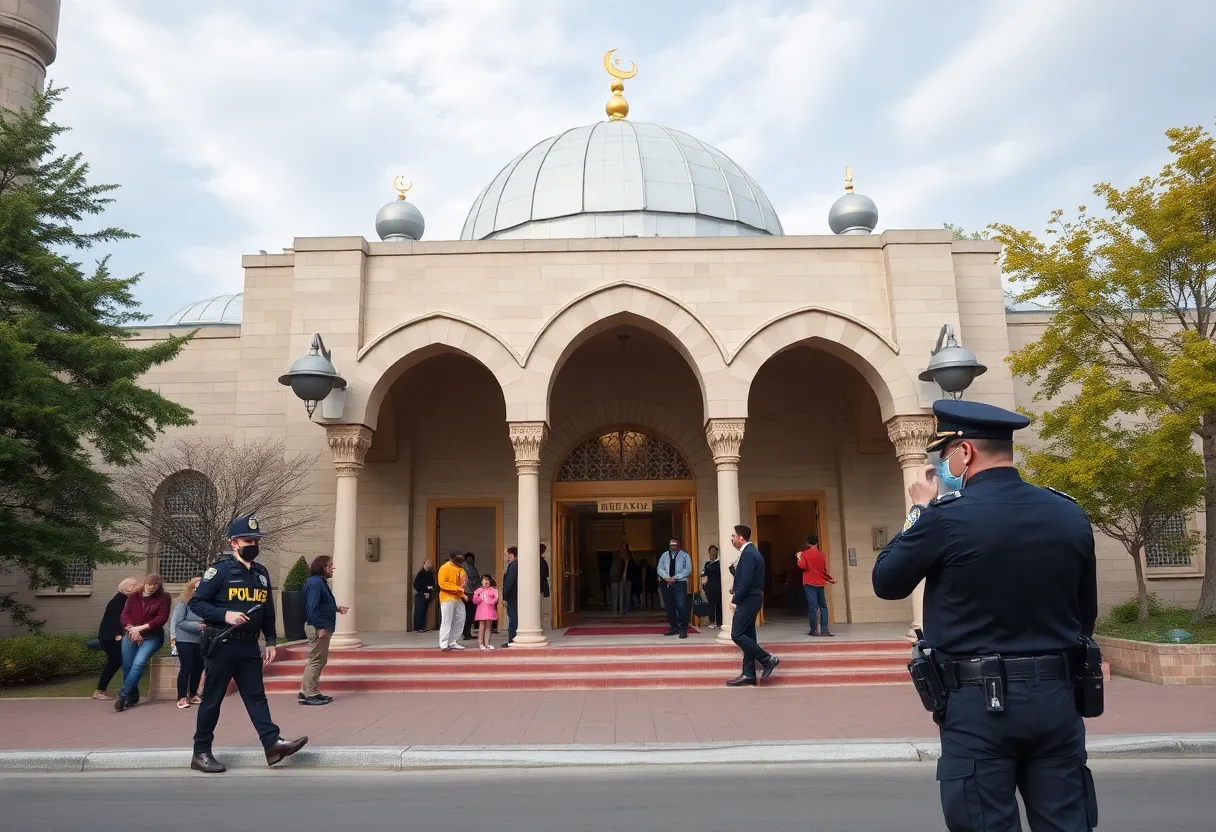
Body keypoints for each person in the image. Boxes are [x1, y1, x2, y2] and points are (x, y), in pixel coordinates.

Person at [872, 399, 1100, 832]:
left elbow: (887, 581)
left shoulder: (944, 518)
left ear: (965, 452)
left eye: (945, 455)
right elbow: (1084, 612)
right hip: (1057, 696)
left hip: (980, 704)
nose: (944, 465)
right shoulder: (1069, 514)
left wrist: (919, 509)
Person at [188, 514, 307, 773]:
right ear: (233, 542)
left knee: (256, 698)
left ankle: (272, 745)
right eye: (247, 540)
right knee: (212, 699)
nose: (253, 544)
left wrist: (272, 640)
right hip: (223, 644)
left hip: (250, 646)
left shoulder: (261, 574)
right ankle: (201, 752)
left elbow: (267, 609)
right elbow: (196, 603)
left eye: (256, 540)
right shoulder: (219, 571)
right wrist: (225, 615)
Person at [726, 525, 779, 686]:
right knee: (748, 636)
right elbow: (745, 577)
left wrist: (735, 599)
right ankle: (748, 674)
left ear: (741, 537)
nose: (732, 539)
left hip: (748, 599)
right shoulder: (750, 553)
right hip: (752, 597)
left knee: (737, 634)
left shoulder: (748, 554)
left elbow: (747, 580)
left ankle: (767, 659)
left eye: (733, 536)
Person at [115, 573, 171, 712]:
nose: (150, 588)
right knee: (127, 666)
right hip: (131, 634)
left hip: (152, 636)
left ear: (159, 586)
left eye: (154, 586)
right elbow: (125, 614)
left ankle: (123, 694)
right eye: (148, 585)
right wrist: (131, 629)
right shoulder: (134, 596)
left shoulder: (164, 598)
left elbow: (161, 618)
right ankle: (133, 696)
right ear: (144, 583)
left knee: (138, 664)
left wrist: (140, 629)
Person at [300, 555, 348, 706]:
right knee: (316, 660)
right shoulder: (315, 583)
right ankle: (310, 693)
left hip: (319, 625)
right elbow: (312, 607)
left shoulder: (319, 582)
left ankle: (306, 690)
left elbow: (321, 604)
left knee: (318, 660)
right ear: (322, 567)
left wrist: (336, 609)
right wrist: (320, 627)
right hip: (317, 626)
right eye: (330, 565)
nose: (332, 568)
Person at [92, 577, 141, 701]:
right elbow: (116, 619)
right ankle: (100, 690)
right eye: (135, 586)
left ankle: (104, 690)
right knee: (115, 662)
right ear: (128, 588)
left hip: (111, 636)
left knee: (117, 662)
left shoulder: (122, 599)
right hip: (112, 637)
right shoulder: (119, 601)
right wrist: (118, 634)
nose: (137, 588)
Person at [171, 577, 206, 709]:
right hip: (185, 639)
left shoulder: (205, 602)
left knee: (199, 667)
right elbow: (179, 621)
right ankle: (181, 697)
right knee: (186, 667)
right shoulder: (184, 602)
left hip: (200, 640)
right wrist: (198, 626)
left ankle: (193, 694)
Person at [796, 534, 837, 637]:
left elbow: (802, 566)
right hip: (820, 582)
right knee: (823, 606)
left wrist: (799, 557)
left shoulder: (805, 554)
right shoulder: (822, 555)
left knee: (813, 607)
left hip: (809, 582)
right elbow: (823, 570)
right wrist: (830, 578)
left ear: (807, 543)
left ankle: (813, 630)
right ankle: (824, 629)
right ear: (817, 543)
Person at [657, 538, 692, 638]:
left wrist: (675, 577)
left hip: (679, 583)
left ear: (679, 546)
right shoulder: (664, 555)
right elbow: (659, 568)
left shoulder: (685, 556)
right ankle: (674, 627)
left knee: (681, 606)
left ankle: (683, 629)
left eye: (675, 545)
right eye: (671, 545)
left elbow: (688, 570)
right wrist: (667, 577)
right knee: (670, 607)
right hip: (667, 583)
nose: (673, 547)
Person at [437, 550, 468, 651]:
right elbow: (442, 584)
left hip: (457, 598)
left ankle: (452, 641)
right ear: (452, 559)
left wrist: (463, 594)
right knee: (447, 620)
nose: (460, 563)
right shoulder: (445, 567)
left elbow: (462, 585)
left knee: (460, 619)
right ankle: (444, 643)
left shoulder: (461, 570)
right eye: (458, 561)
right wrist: (459, 589)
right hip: (447, 598)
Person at [472, 574, 499, 650]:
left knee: (488, 627)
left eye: (487, 579)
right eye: (484, 579)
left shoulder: (493, 590)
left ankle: (487, 643)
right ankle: (481, 643)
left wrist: (490, 601)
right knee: (481, 626)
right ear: (481, 581)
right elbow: (475, 600)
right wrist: (478, 596)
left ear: (490, 581)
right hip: (481, 610)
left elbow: (495, 599)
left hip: (490, 609)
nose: (486, 581)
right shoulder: (478, 590)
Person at [700, 545, 723, 629]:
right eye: (711, 551)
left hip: (718, 585)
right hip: (709, 586)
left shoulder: (719, 562)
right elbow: (703, 573)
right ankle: (712, 621)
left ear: (717, 551)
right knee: (711, 605)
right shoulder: (707, 563)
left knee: (719, 605)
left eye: (714, 550)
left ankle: (720, 622)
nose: (712, 552)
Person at [501, 547, 518, 647]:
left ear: (511, 555)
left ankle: (512, 640)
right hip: (515, 596)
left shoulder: (512, 565)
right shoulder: (516, 565)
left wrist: (505, 597)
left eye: (507, 554)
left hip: (512, 596)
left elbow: (508, 583)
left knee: (512, 618)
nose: (507, 556)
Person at [413, 559, 436, 632]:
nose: (430, 564)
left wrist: (430, 590)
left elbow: (431, 584)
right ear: (424, 564)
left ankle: (422, 627)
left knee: (424, 611)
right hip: (421, 594)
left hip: (428, 594)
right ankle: (418, 627)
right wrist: (423, 592)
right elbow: (416, 585)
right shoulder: (421, 573)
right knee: (419, 611)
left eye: (430, 563)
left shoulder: (430, 574)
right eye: (428, 562)